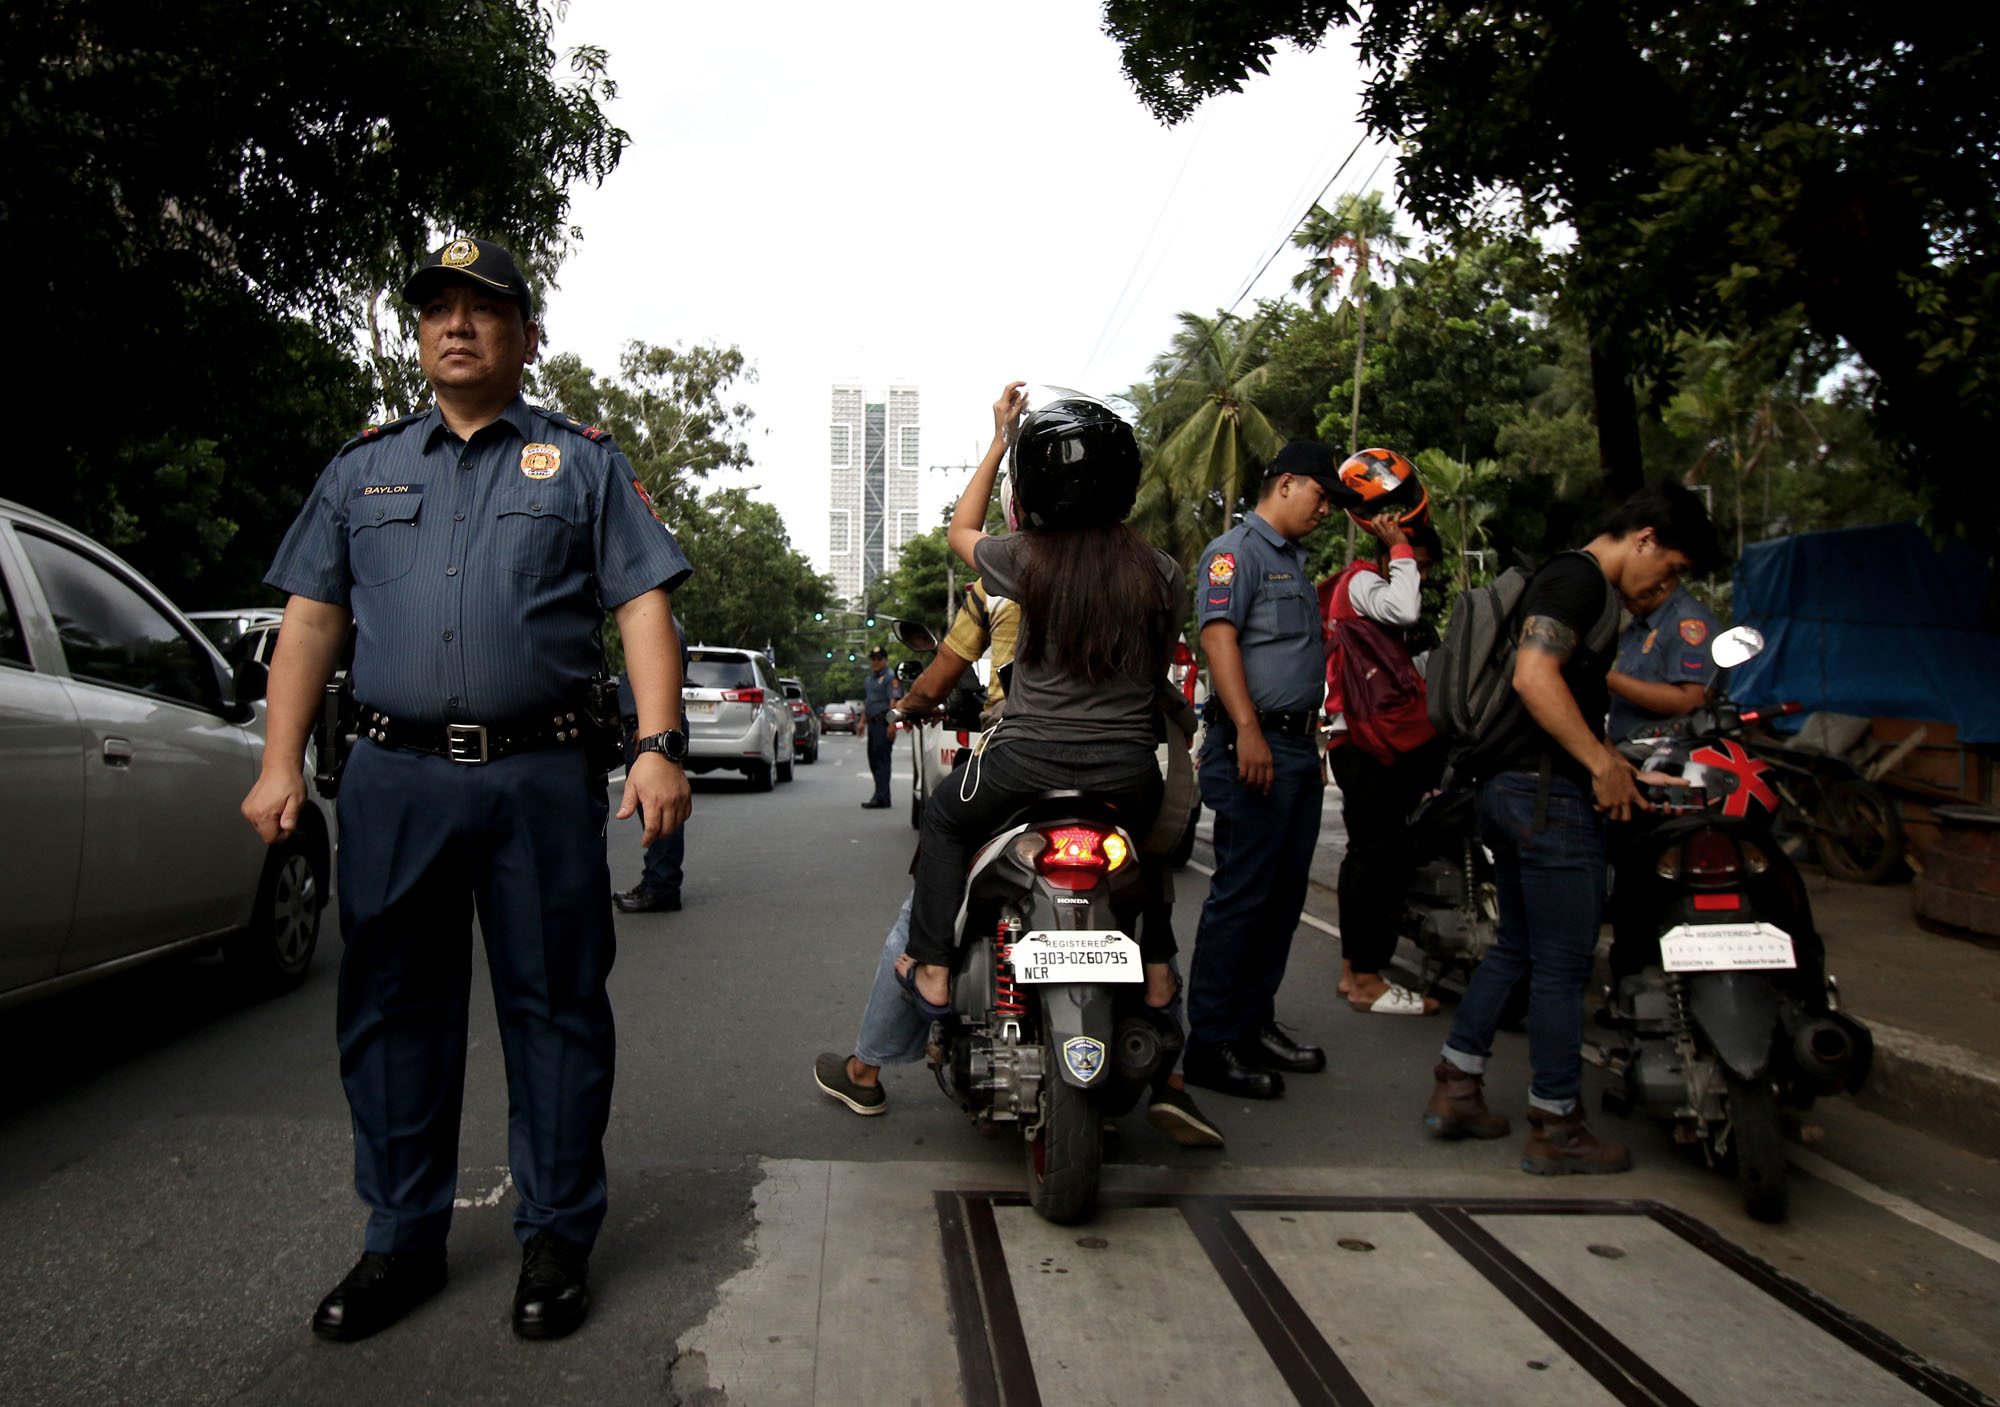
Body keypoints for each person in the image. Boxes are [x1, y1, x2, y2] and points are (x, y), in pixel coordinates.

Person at [242, 236, 692, 1343]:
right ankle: (401, 1239)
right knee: (392, 1010)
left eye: (484, 308)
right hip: (393, 779)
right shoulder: (363, 469)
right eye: (438, 308)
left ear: (525, 335)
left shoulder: (581, 462)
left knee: (554, 1008)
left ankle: (554, 1236)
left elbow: (642, 607)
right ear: (420, 332)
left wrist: (657, 741)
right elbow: (311, 617)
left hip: (538, 774)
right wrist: (276, 760)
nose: (457, 324)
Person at [813, 572, 1222, 1147]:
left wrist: (914, 702)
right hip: (1122, 768)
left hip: (1020, 760)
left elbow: (942, 672)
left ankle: (873, 1061)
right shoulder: (1136, 578)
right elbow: (1158, 680)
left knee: (932, 880)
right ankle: (1170, 1064)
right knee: (1141, 865)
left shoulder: (1002, 580)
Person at [1423, 482, 1719, 1174]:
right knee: (1561, 964)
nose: (1666, 584)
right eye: (1670, 567)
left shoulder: (1577, 584)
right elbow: (1533, 676)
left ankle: (1458, 1082)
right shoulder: (1580, 580)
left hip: (1515, 788)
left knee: (1518, 946)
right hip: (1548, 799)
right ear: (1643, 536)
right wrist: (1601, 764)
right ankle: (1557, 1121)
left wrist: (1625, 767)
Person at [904, 384, 1183, 1022]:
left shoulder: (1025, 559)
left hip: (1024, 762)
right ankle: (1160, 968)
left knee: (945, 821)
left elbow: (961, 530)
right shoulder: (1160, 571)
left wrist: (1000, 436)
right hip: (1128, 770)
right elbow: (1157, 667)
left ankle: (934, 967)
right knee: (1152, 843)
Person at [1183, 443, 1343, 1099]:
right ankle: (1211, 1042)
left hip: (1300, 750)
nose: (1326, 508)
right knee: (1244, 894)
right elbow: (1218, 637)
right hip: (1255, 746)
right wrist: (1248, 729)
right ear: (1286, 483)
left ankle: (1253, 1022)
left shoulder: (1294, 565)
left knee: (1281, 899)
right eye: (1320, 494)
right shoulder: (1233, 554)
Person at [1322, 490, 1448, 1017]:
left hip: (1360, 742)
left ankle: (1356, 972)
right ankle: (1370, 978)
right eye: (1417, 566)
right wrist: (1399, 548)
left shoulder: (1367, 591)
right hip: (1370, 744)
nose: (1416, 575)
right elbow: (1405, 604)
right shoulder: (1366, 583)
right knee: (1382, 859)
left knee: (1366, 857)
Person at [613, 625, 690, 912]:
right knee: (653, 812)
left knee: (659, 809)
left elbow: (665, 677)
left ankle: (662, 886)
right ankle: (655, 881)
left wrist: (651, 731)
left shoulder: (660, 624)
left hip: (650, 733)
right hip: (642, 730)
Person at [1605, 581, 1723, 741]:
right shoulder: (1640, 622)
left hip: (1667, 754)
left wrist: (1609, 678)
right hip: (1628, 749)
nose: (1621, 596)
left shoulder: (1687, 621)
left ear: (1662, 581)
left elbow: (1693, 702)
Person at [859, 645, 901, 808]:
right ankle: (881, 794)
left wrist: (893, 726)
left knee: (882, 761)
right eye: (873, 659)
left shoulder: (891, 677)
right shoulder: (870, 679)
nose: (875, 662)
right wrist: (862, 722)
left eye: (879, 659)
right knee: (874, 760)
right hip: (873, 725)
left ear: (885, 660)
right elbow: (868, 702)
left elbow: (894, 702)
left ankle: (881, 797)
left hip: (884, 723)